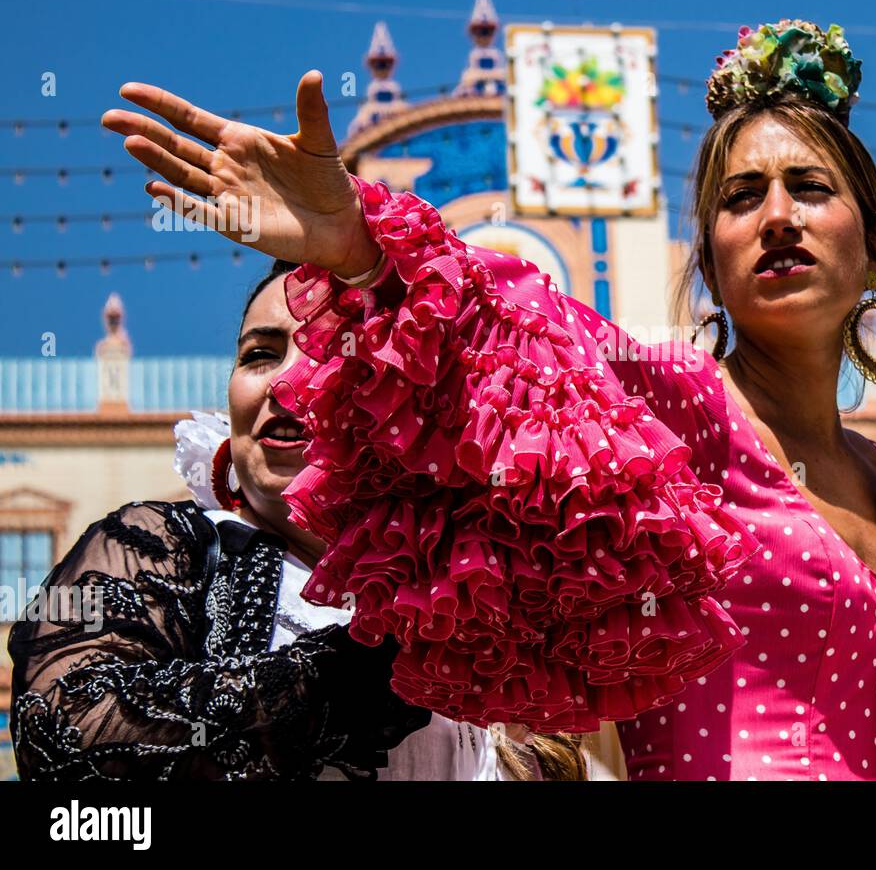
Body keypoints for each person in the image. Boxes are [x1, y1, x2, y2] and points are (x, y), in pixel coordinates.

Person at [96, 19, 876, 780]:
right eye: (742, 198)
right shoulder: (668, 409)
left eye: (809, 187)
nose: (778, 216)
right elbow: (500, 322)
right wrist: (361, 245)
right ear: (707, 261)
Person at [7, 260, 585, 780]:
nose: (284, 382)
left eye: (330, 352)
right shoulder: (168, 547)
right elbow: (66, 735)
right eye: (259, 354)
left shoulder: (490, 604)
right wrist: (362, 669)